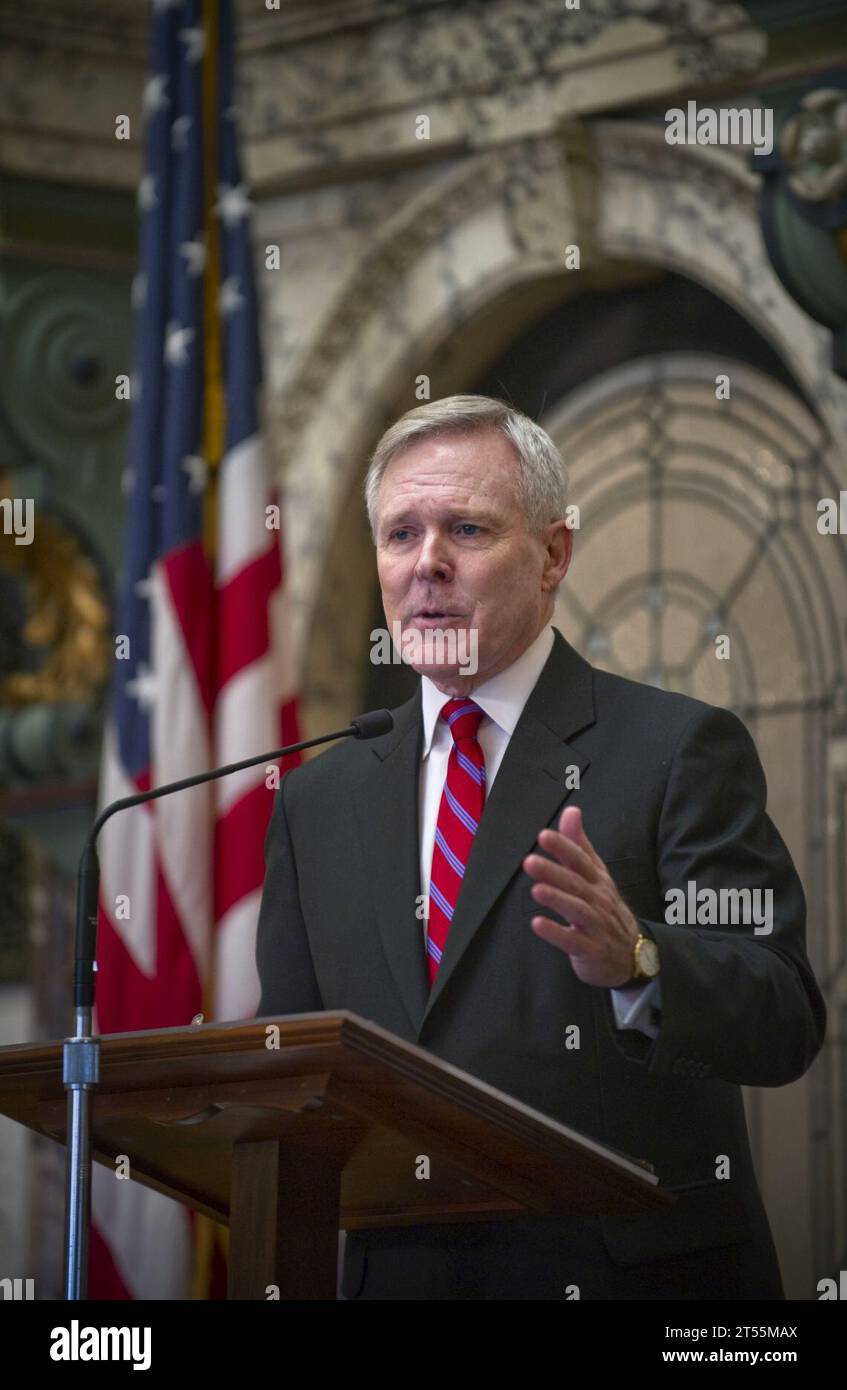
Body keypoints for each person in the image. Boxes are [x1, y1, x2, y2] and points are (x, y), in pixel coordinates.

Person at [255, 394, 826, 1300]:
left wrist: (640, 960)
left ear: (553, 553)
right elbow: (286, 1061)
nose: (426, 565)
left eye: (466, 529)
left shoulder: (676, 750)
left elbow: (784, 1017)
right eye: (400, 535)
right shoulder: (318, 798)